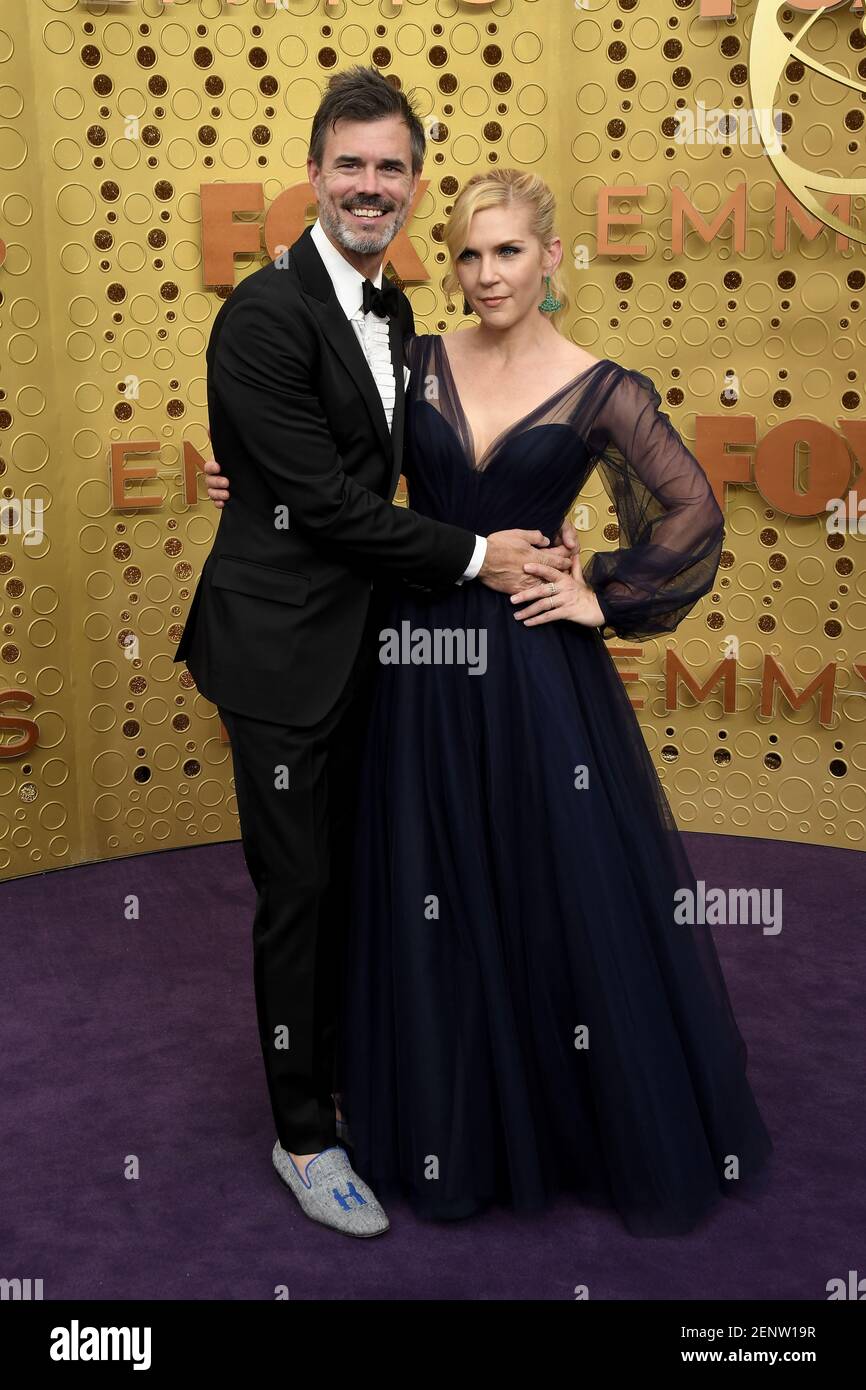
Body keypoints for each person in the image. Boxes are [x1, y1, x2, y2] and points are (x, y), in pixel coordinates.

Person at [205, 159, 774, 1238]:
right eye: (466, 253)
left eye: (507, 250)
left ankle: (556, 1117)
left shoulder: (601, 384)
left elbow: (691, 518)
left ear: (550, 257)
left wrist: (597, 595)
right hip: (409, 660)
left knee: (542, 888)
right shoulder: (413, 359)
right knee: (426, 886)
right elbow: (331, 474)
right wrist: (259, 477)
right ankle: (438, 1114)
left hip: (527, 669)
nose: (485, 273)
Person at [174, 67, 575, 1238]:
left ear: (410, 185)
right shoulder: (259, 310)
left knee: (362, 877)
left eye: (390, 168)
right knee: (299, 893)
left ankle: (354, 1076)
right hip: (278, 655)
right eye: (348, 164)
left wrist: (267, 486)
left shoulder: (395, 309)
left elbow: (351, 471)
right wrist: (472, 557)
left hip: (372, 645)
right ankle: (304, 1134)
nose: (369, 186)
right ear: (314, 173)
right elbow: (325, 499)